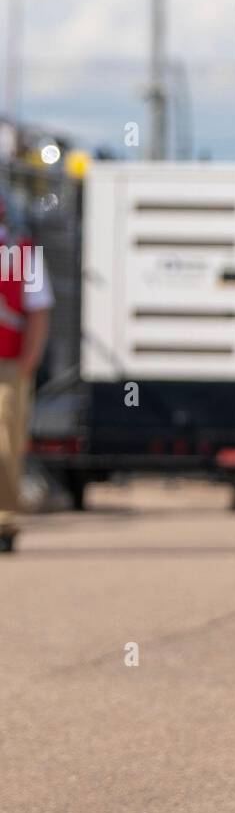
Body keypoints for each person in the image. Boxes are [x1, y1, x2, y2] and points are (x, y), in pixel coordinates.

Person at [0, 193, 54, 552]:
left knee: (4, 441)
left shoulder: (22, 253)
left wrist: (26, 364)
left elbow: (38, 309)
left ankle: (3, 518)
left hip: (7, 364)